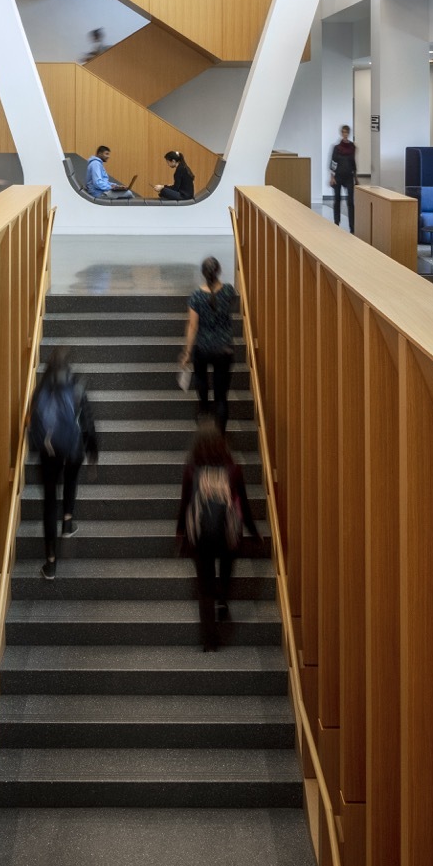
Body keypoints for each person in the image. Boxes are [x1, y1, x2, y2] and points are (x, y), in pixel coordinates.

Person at [176, 416, 252, 651]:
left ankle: (210, 640)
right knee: (228, 561)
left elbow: (185, 504)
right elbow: (245, 507)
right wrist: (253, 531)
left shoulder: (191, 471)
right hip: (227, 535)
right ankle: (223, 596)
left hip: (201, 537)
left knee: (204, 587)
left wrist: (180, 533)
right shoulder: (233, 470)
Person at [27, 347, 97, 579]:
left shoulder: (40, 388)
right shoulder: (76, 384)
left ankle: (51, 562)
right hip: (73, 448)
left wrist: (35, 448)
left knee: (49, 503)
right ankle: (67, 521)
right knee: (71, 477)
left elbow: (32, 422)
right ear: (68, 366)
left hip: (49, 453)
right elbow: (86, 421)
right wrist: (92, 449)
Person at [180, 255, 239, 432]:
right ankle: (220, 439)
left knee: (203, 391)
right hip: (224, 349)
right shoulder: (228, 291)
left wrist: (187, 353)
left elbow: (193, 326)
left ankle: (204, 426)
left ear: (203, 274)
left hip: (203, 350)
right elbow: (230, 304)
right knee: (221, 397)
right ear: (219, 271)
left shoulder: (196, 296)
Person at [329, 125, 357, 231]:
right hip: (338, 176)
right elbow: (333, 162)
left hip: (349, 176)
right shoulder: (337, 148)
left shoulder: (352, 147)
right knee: (337, 199)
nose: (345, 134)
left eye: (347, 132)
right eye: (343, 132)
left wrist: (356, 177)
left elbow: (353, 162)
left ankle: (352, 225)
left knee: (350, 201)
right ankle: (336, 222)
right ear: (341, 133)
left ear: (348, 133)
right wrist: (332, 177)